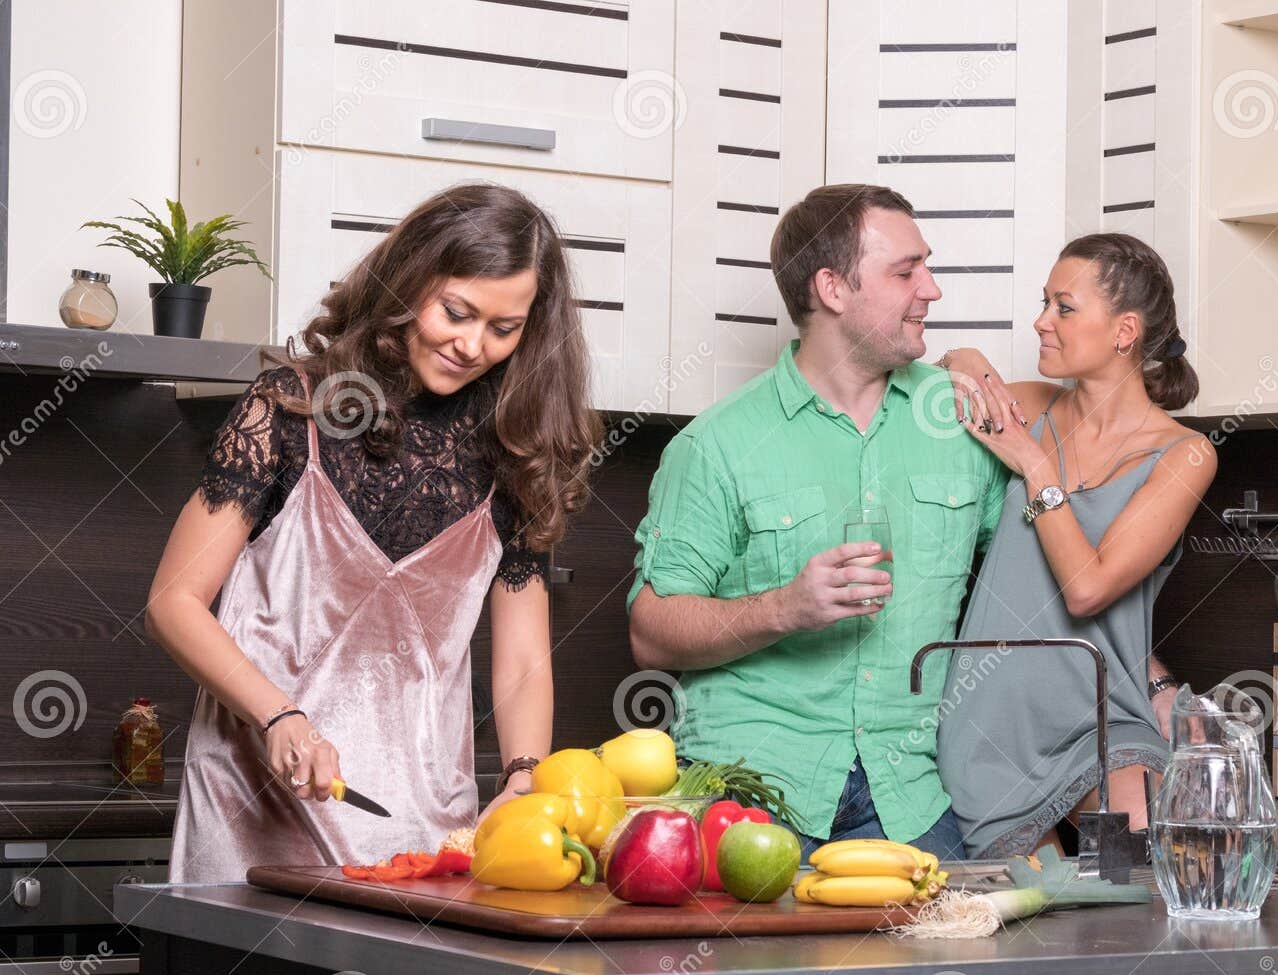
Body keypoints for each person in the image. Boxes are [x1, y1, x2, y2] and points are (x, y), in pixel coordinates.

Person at [148, 183, 601, 882]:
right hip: (251, 813)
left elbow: (522, 661)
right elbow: (173, 602)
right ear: (411, 278)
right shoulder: (291, 409)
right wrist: (277, 715)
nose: (472, 344)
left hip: (420, 828)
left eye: (504, 329)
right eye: (457, 311)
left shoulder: (517, 452)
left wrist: (523, 772)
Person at [627, 184, 1009, 861]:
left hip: (910, 791)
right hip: (749, 790)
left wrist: (1146, 679)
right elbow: (651, 634)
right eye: (906, 271)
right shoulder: (716, 445)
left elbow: (1035, 575)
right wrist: (785, 607)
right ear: (832, 287)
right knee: (756, 966)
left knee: (958, 953)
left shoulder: (957, 421)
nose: (933, 289)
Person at [935, 232, 1216, 860]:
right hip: (991, 722)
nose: (1041, 322)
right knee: (1029, 925)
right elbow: (950, 374)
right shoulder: (1030, 406)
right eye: (1045, 303)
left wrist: (1035, 466)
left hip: (1103, 714)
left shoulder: (1182, 453)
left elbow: (1088, 588)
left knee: (1133, 892)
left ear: (1124, 331)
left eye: (1064, 307)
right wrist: (965, 353)